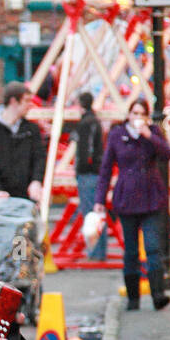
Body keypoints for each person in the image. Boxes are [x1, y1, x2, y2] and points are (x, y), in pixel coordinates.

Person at [93, 99, 170, 312]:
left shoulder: (153, 132)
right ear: (128, 114)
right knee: (130, 251)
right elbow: (106, 169)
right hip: (127, 198)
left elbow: (167, 154)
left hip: (151, 196)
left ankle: (158, 294)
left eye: (141, 113)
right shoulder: (117, 135)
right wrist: (99, 200)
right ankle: (133, 298)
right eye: (134, 113)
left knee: (153, 247)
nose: (137, 117)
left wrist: (149, 135)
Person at [0, 81, 45, 205]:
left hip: (27, 196)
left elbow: (39, 157)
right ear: (14, 101)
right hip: (0, 197)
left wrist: (36, 181)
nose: (30, 105)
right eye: (26, 101)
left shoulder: (31, 129)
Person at [73, 91, 107, 262]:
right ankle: (98, 251)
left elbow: (86, 150)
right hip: (95, 171)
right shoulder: (95, 122)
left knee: (90, 213)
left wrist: (82, 167)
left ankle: (95, 253)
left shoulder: (85, 123)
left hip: (88, 173)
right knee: (97, 212)